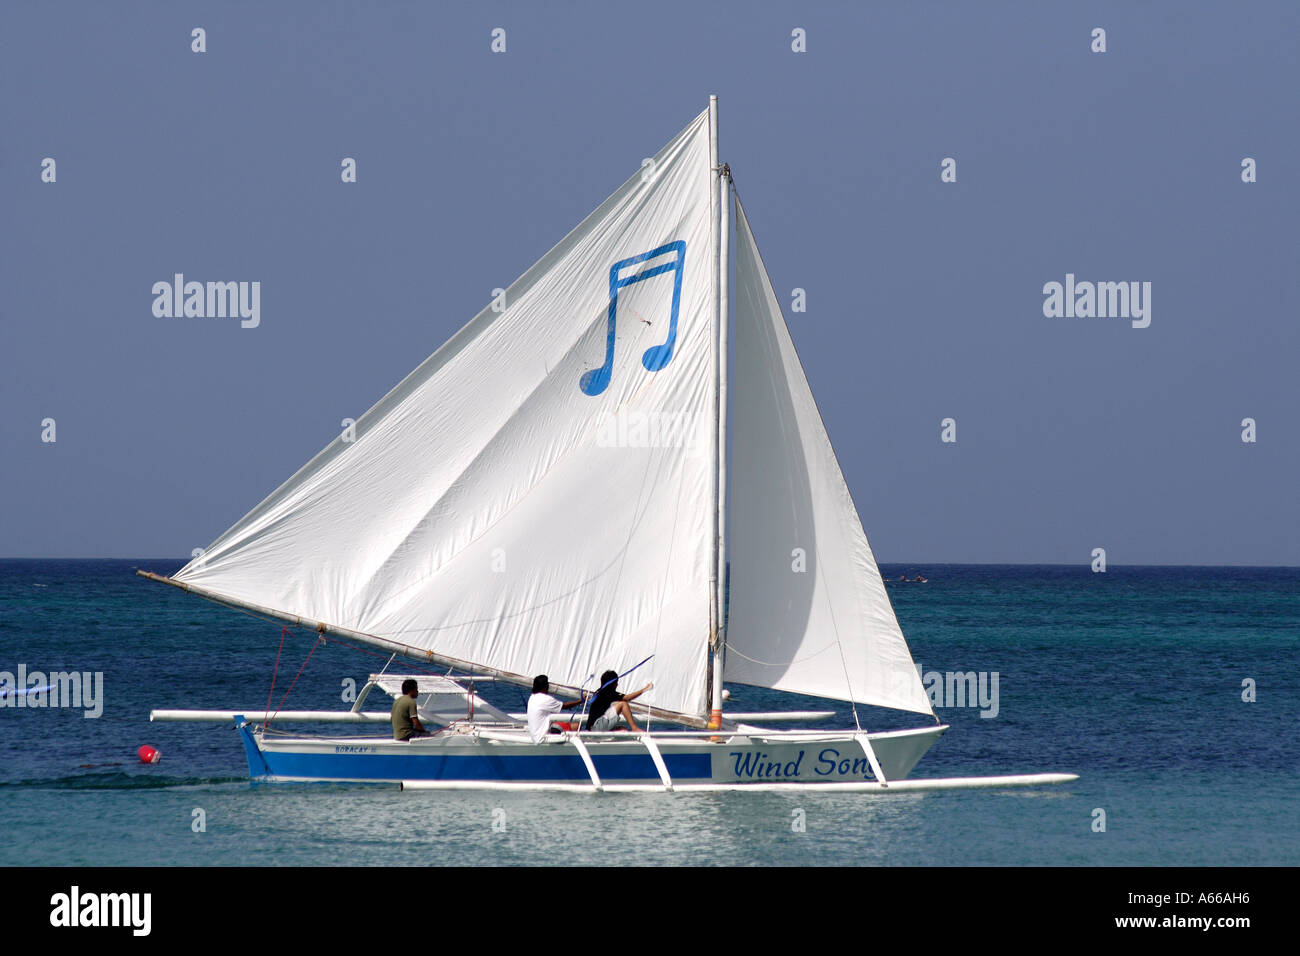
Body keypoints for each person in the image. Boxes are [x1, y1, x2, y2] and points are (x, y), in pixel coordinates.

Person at [584, 670, 653, 733]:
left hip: (591, 729)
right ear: (612, 684)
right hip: (596, 728)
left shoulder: (599, 691)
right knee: (623, 704)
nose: (617, 685)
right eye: (616, 682)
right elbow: (627, 698)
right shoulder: (608, 692)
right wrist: (645, 689)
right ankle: (634, 728)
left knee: (623, 730)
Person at [526, 675, 584, 744]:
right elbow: (565, 706)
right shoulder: (545, 699)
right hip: (543, 737)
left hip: (535, 736)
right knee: (577, 726)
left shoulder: (532, 697)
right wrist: (581, 701)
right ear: (545, 686)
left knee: (560, 723)